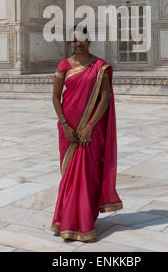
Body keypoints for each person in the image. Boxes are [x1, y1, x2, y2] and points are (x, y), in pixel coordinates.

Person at [51, 25, 123, 242]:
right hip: (68, 131)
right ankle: (66, 220)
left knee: (88, 175)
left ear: (89, 41)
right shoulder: (64, 66)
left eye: (81, 40)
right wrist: (64, 125)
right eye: (73, 41)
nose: (77, 44)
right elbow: (56, 98)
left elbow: (105, 99)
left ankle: (84, 220)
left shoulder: (99, 66)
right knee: (70, 177)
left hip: (91, 131)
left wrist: (90, 125)